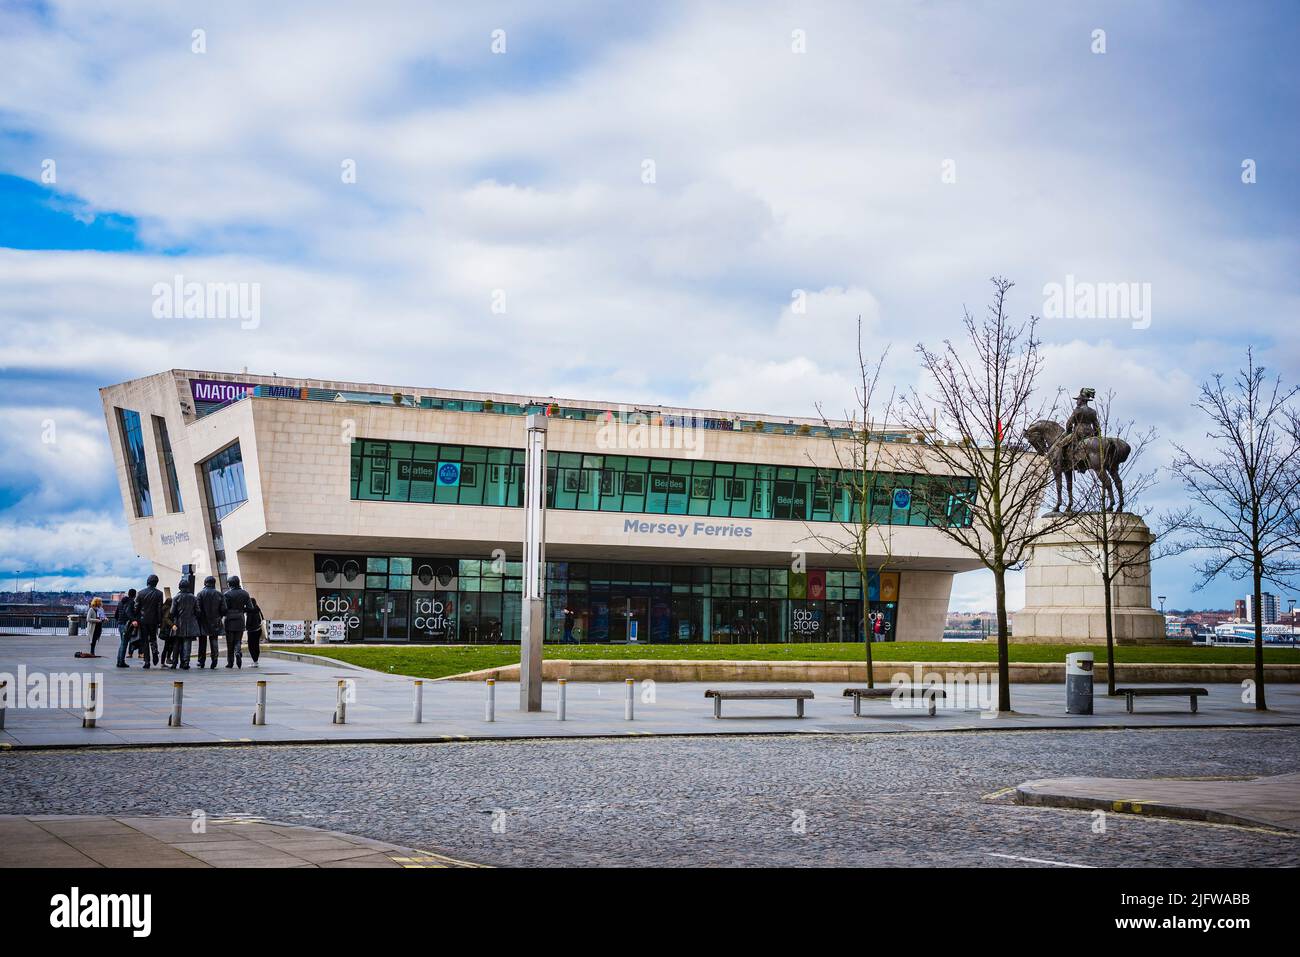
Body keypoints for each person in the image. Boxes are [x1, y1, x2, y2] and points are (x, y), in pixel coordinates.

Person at [169, 578, 202, 670]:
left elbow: (172, 612)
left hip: (178, 623)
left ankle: (174, 662)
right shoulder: (193, 597)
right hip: (190, 623)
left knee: (176, 644)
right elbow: (198, 611)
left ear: (179, 587)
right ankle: (186, 662)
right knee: (187, 643)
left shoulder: (176, 597)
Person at [133, 574, 164, 669]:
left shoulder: (141, 593)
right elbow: (159, 609)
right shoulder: (159, 593)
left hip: (143, 621)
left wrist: (135, 619)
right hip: (154, 620)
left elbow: (136, 608)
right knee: (153, 638)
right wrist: (159, 621)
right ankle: (155, 652)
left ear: (148, 582)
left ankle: (147, 661)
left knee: (145, 641)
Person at [196, 576, 226, 670]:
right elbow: (224, 609)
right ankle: (214, 660)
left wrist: (199, 618)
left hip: (203, 621)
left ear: (205, 583)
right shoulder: (219, 594)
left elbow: (197, 609)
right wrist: (219, 616)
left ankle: (201, 661)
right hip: (215, 620)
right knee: (214, 640)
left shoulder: (200, 594)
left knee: (202, 642)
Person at [222, 575, 251, 668]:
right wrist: (242, 610)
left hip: (229, 620)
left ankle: (230, 662)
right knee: (238, 640)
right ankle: (238, 652)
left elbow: (224, 609)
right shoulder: (245, 594)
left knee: (229, 642)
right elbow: (250, 608)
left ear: (230, 584)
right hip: (240, 619)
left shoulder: (227, 594)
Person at [114, 589, 137, 668]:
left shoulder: (120, 602)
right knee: (124, 644)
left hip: (120, 624)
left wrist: (119, 621)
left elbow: (116, 615)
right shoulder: (131, 602)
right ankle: (121, 662)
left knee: (122, 643)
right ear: (134, 595)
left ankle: (119, 661)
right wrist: (133, 620)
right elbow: (129, 612)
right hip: (126, 625)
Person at [244, 596, 264, 667]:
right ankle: (256, 661)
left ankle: (255, 661)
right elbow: (262, 618)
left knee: (251, 646)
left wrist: (246, 627)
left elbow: (249, 622)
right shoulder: (258, 609)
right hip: (258, 630)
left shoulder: (250, 611)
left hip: (252, 631)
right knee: (256, 646)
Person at [159, 594, 176, 668]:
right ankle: (168, 658)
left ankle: (163, 662)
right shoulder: (169, 609)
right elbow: (166, 618)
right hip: (168, 630)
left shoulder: (163, 607)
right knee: (169, 645)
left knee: (166, 646)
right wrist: (172, 625)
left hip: (163, 629)